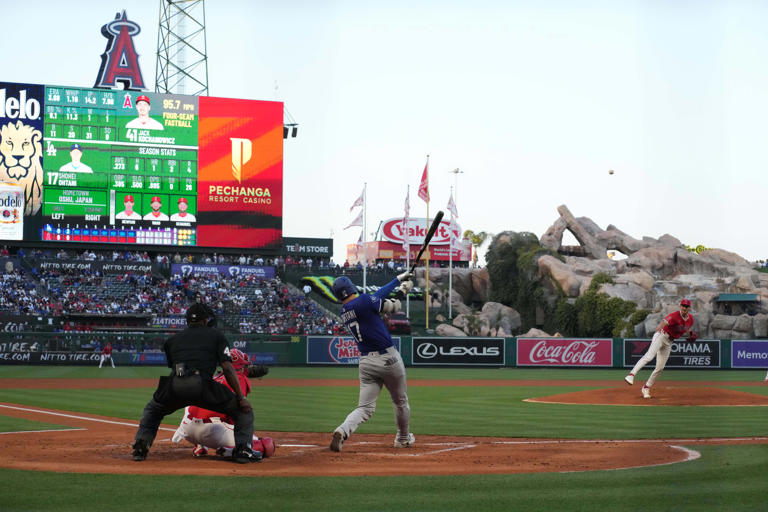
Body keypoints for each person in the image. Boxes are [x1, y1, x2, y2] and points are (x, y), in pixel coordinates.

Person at [131, 303, 261, 463]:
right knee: (243, 412)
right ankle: (243, 451)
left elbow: (177, 366)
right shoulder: (216, 336)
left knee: (153, 411)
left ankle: (140, 447)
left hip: (175, 384)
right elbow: (227, 368)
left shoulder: (172, 340)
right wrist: (241, 398)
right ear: (206, 320)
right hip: (203, 385)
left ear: (187, 321)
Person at [329, 270, 415, 452]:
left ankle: (343, 430)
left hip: (366, 362)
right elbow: (395, 306)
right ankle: (402, 438)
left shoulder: (345, 310)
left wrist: (396, 280)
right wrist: (403, 291)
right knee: (400, 401)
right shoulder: (364, 302)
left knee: (364, 408)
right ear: (351, 287)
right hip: (388, 358)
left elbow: (374, 297)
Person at [171, 349, 274, 458]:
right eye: (245, 366)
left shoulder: (214, 377)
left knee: (194, 403)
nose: (247, 369)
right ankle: (229, 452)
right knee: (266, 445)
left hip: (187, 429)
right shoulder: (239, 378)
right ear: (241, 367)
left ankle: (201, 446)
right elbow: (237, 411)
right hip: (211, 431)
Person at [624, 298, 696, 398]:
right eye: (683, 305)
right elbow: (664, 322)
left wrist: (691, 334)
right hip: (661, 335)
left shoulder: (691, 319)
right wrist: (659, 327)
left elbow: (684, 329)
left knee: (660, 368)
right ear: (680, 306)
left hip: (669, 342)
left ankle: (646, 388)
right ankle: (631, 375)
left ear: (689, 308)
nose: (685, 307)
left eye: (687, 306)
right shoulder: (675, 315)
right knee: (649, 357)